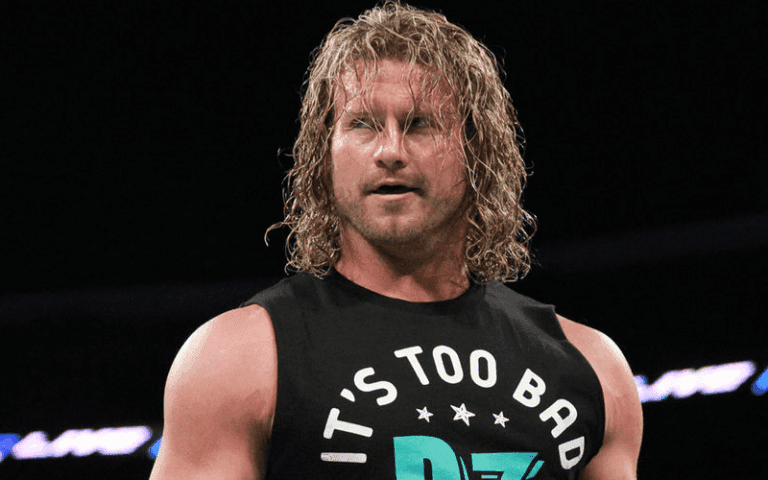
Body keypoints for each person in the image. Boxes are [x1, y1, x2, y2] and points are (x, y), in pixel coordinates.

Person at [149, 2, 643, 479]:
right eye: (362, 124)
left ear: (477, 150)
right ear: (325, 153)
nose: (390, 150)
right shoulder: (240, 358)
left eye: (419, 124)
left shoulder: (591, 365)